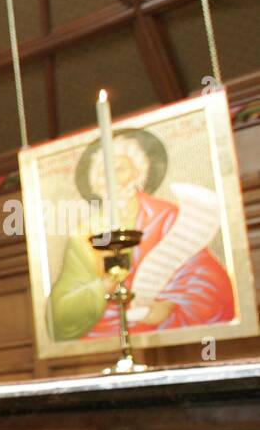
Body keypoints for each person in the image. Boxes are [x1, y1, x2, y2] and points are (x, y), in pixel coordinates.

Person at [47, 131, 235, 341]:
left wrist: (169, 304)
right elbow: (60, 309)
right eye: (101, 172)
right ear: (94, 182)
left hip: (162, 323)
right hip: (106, 329)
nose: (109, 178)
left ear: (138, 173)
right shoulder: (83, 235)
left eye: (119, 168)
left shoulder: (165, 217)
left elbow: (206, 277)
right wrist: (102, 288)